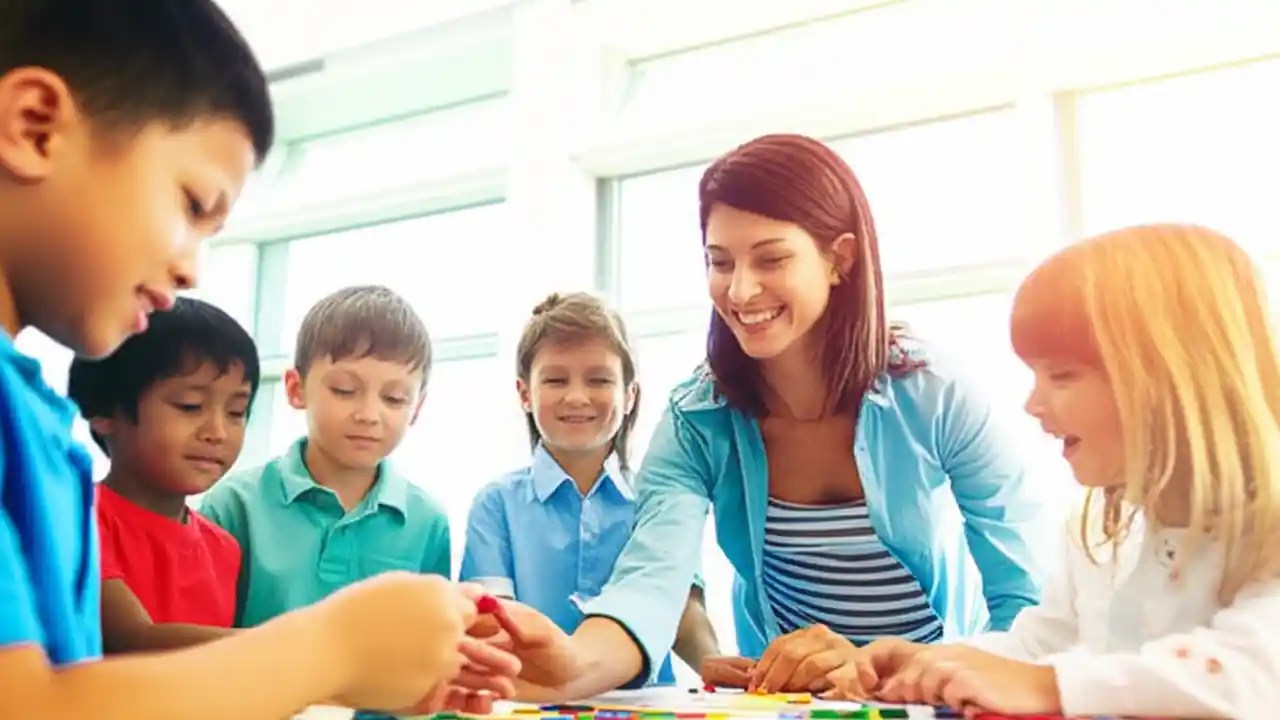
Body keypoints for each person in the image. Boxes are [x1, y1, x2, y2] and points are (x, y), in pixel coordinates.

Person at [0, 1, 515, 717]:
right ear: (34, 127)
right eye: (190, 203)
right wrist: (334, 650)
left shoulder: (36, 422)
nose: (190, 270)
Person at [475, 133, 1046, 699]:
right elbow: (650, 578)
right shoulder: (696, 418)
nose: (741, 290)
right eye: (719, 262)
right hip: (786, 701)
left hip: (928, 693)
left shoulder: (933, 392)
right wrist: (570, 664)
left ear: (838, 259)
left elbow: (1027, 601)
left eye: (771, 258)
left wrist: (902, 670)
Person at [823, 224, 1280, 719]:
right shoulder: (1105, 534)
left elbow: (1255, 673)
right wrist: (935, 666)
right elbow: (1041, 647)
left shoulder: (1265, 531)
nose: (1034, 404)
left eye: (1061, 376)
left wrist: (1049, 685)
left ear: (1170, 379)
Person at [460, 292, 721, 684]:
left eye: (599, 379)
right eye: (555, 379)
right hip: (531, 703)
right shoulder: (497, 503)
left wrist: (714, 663)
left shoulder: (660, 500)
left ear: (630, 395)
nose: (577, 397)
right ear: (524, 393)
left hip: (647, 707)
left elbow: (680, 609)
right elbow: (492, 620)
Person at [202, 285, 451, 628]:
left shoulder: (427, 522)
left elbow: (430, 647)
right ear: (295, 388)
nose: (368, 414)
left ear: (417, 408)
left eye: (394, 398)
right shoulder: (233, 505)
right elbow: (199, 646)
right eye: (344, 391)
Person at [67, 297, 258, 653]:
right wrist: (298, 647)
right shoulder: (79, 516)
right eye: (190, 406)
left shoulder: (224, 548)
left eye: (236, 411)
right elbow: (131, 639)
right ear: (104, 410)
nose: (217, 431)